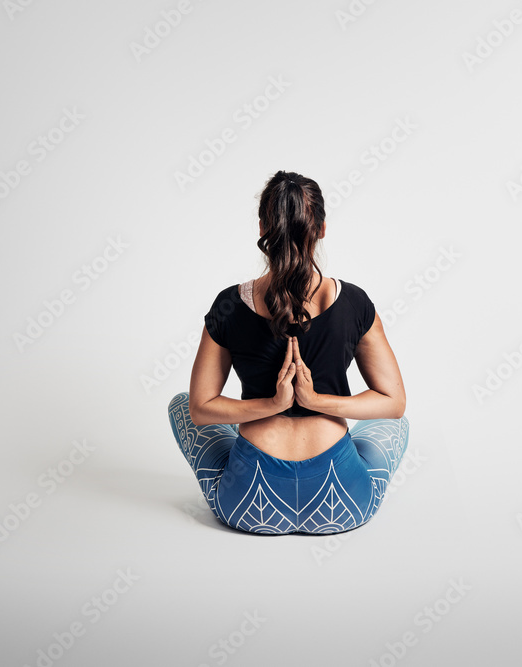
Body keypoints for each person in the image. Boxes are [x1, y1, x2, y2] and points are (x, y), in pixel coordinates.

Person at [167, 170, 409, 535]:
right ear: (321, 229)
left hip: (250, 504)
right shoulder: (355, 302)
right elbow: (394, 403)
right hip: (340, 503)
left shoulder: (229, 305)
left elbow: (201, 409)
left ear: (263, 228)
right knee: (395, 424)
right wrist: (317, 401)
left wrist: (270, 405)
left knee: (181, 404)